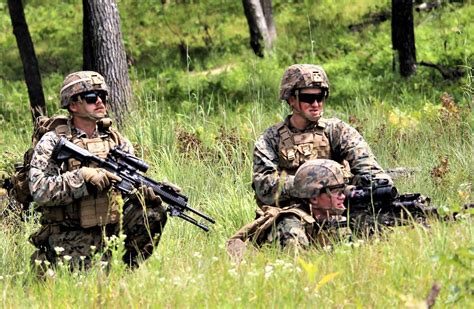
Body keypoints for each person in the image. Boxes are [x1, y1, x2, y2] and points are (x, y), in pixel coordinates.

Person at [28, 71, 168, 274]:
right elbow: (39, 191)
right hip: (70, 233)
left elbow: (129, 183)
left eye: (103, 96)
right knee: (89, 285)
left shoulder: (115, 140)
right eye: (92, 98)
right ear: (73, 105)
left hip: (110, 228)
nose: (100, 102)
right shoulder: (53, 141)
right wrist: (82, 177)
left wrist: (149, 192)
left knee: (153, 212)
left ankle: (124, 270)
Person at [253, 64, 392, 208]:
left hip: (338, 209)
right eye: (308, 98)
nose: (315, 104)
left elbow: (367, 165)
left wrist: (380, 187)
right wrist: (312, 186)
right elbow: (263, 185)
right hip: (290, 212)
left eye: (320, 97)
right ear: (291, 99)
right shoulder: (270, 139)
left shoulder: (337, 130)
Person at [227, 159, 350, 259]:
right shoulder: (291, 228)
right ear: (314, 198)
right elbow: (296, 275)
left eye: (342, 191)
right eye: (337, 192)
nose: (343, 196)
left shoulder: (333, 220)